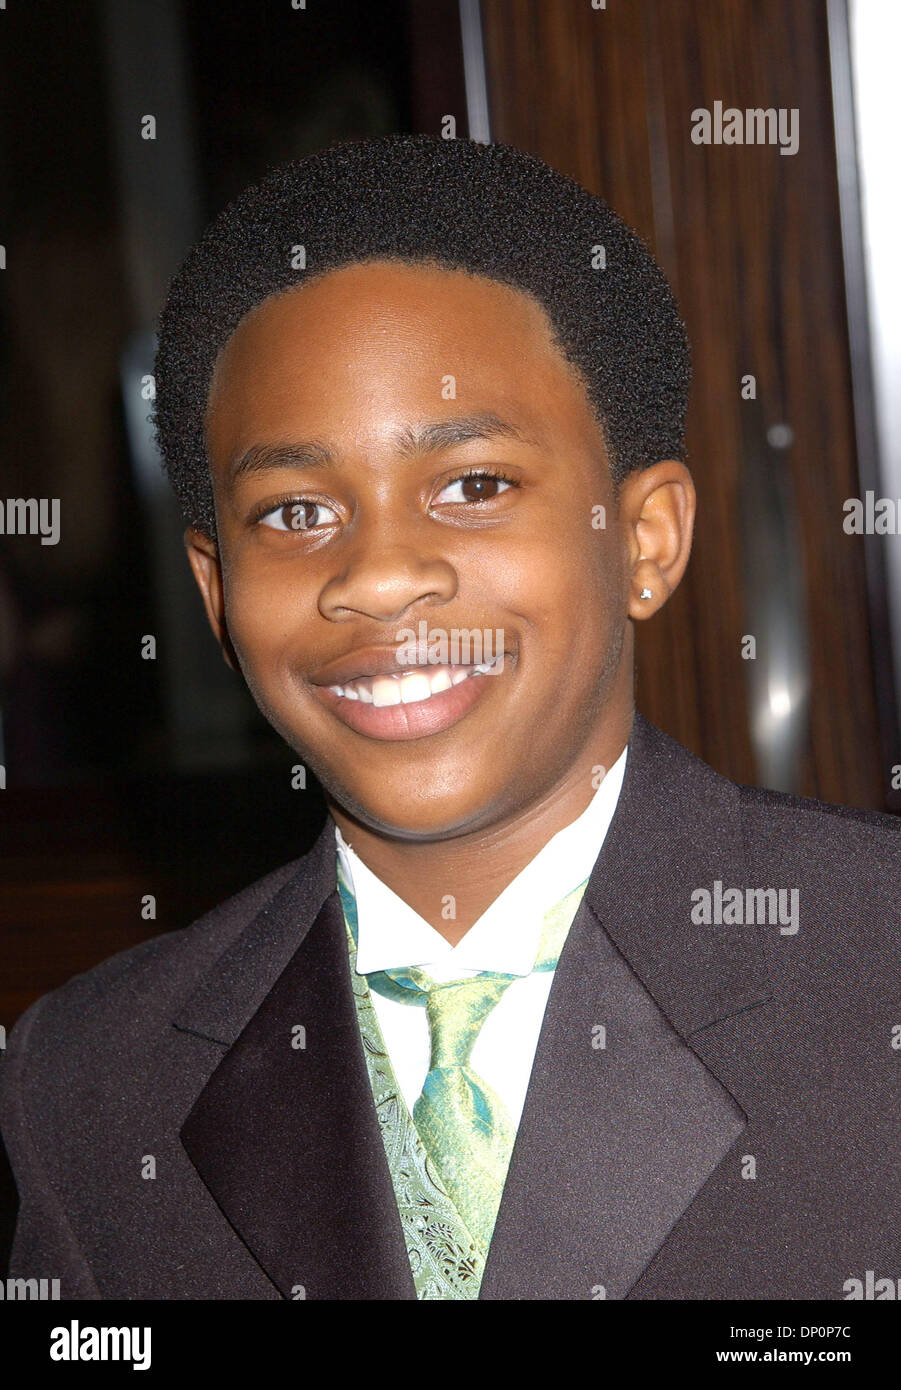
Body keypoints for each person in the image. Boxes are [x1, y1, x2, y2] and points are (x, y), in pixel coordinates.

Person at [1, 134, 898, 1300]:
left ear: (644, 539)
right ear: (216, 594)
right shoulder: (88, 1081)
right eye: (296, 510)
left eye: (472, 485)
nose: (377, 576)